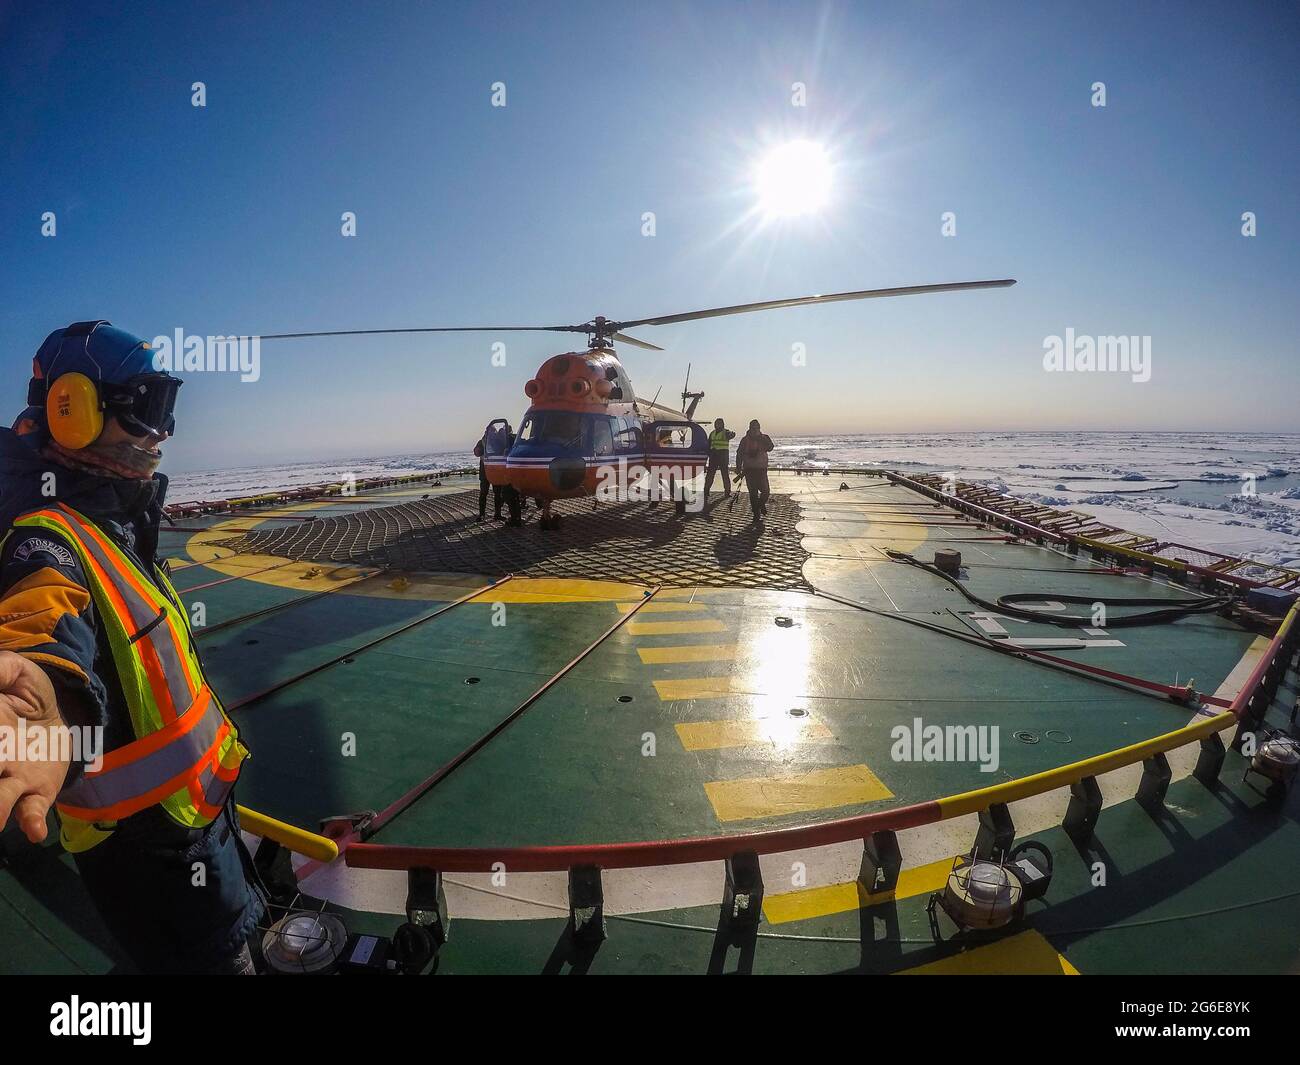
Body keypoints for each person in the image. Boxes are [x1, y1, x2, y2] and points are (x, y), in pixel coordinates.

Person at [0, 321, 261, 974]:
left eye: (166, 407)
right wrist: (38, 720)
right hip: (153, 868)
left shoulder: (110, 521)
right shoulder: (48, 542)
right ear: (74, 411)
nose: (164, 431)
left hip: (190, 842)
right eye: (148, 408)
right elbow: (41, 636)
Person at [735, 418, 774, 520]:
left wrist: (763, 440)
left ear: (759, 428)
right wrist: (738, 467)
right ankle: (756, 514)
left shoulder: (765, 437)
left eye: (756, 427)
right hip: (749, 470)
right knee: (753, 493)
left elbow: (770, 447)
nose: (755, 429)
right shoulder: (744, 440)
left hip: (761, 469)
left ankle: (760, 505)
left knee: (766, 492)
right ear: (749, 428)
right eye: (753, 427)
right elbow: (739, 454)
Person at [476, 420, 510, 520]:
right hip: (486, 470)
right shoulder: (483, 441)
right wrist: (478, 450)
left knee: (497, 493)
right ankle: (482, 514)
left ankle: (497, 514)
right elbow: (477, 451)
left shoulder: (499, 440)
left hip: (496, 469)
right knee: (484, 493)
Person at [703, 418, 735, 498]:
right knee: (710, 475)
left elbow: (731, 435)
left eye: (719, 423)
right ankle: (706, 491)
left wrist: (732, 434)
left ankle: (727, 492)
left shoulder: (726, 432)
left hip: (723, 456)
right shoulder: (712, 433)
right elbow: (708, 446)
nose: (717, 425)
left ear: (722, 424)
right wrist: (706, 458)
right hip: (713, 456)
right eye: (716, 423)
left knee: (725, 475)